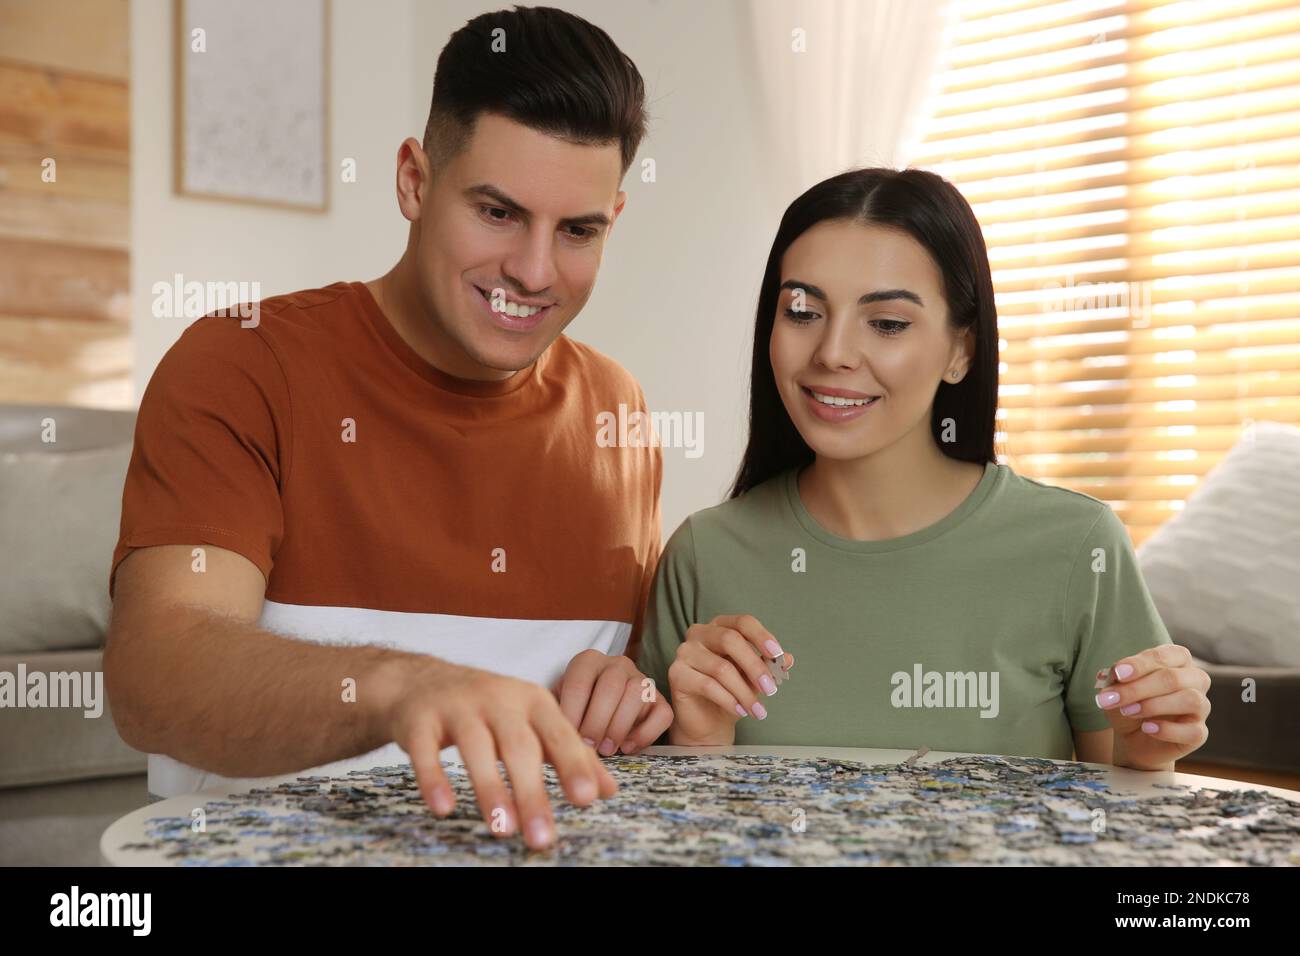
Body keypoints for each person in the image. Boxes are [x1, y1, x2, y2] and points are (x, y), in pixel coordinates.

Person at [105, 6, 671, 851]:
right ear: (413, 180)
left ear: (613, 221)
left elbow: (622, 701)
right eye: (498, 212)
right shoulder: (238, 366)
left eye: (578, 230)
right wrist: (400, 690)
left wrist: (638, 695)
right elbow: (154, 674)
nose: (534, 270)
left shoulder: (617, 412)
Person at [638, 167, 1210, 771]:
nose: (832, 352)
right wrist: (697, 747)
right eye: (803, 312)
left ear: (961, 350)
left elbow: (1124, 824)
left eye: (886, 323)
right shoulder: (704, 554)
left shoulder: (1077, 548)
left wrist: (1149, 754)